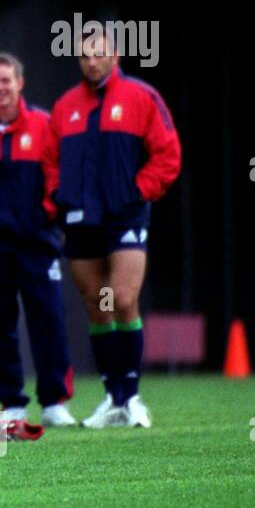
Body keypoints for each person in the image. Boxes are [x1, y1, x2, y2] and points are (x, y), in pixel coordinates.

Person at [47, 28, 181, 428]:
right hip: (81, 221)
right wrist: (58, 193)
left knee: (122, 298)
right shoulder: (66, 106)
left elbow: (168, 154)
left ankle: (131, 396)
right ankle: (112, 396)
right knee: (97, 302)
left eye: (99, 53)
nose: (91, 61)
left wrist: (138, 191)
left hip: (124, 217)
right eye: (85, 55)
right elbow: (49, 160)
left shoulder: (140, 97)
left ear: (115, 54)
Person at [0, 53, 76, 427]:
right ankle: (12, 404)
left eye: (6, 80)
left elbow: (58, 174)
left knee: (49, 320)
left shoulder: (44, 126)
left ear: (20, 83)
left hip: (36, 244)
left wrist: (46, 211)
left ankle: (54, 402)